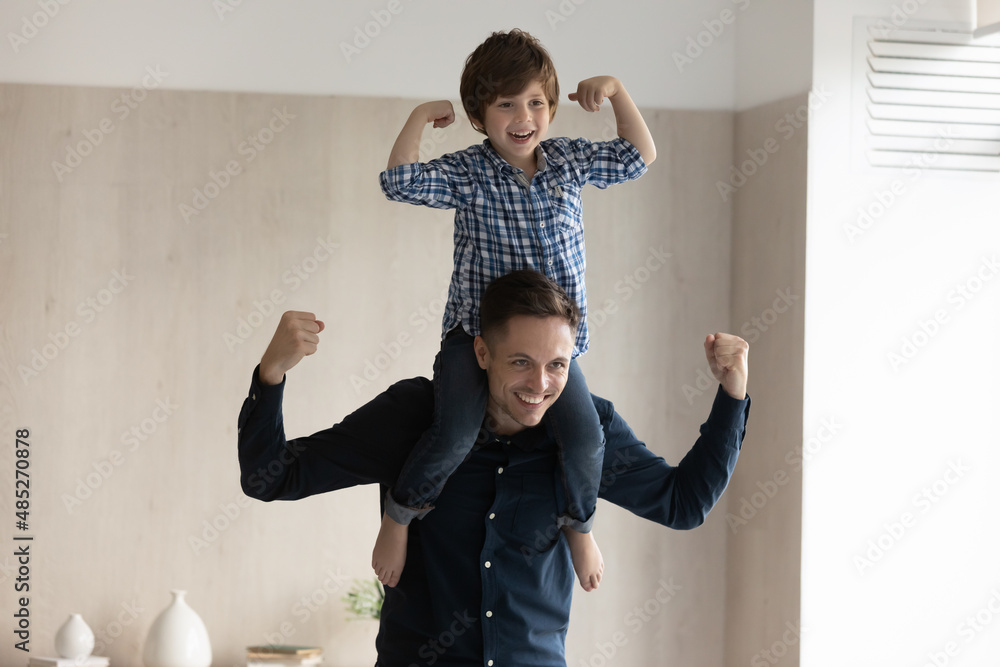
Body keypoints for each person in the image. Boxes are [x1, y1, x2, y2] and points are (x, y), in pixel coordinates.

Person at [237, 269, 750, 667]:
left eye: (557, 365)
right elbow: (271, 477)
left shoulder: (587, 432)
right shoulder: (415, 415)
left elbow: (683, 504)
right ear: (481, 352)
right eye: (520, 361)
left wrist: (732, 395)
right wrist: (272, 372)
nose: (540, 384)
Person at [373, 28, 657, 592]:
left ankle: (578, 525)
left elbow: (638, 157)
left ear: (551, 107)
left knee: (584, 438)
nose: (522, 116)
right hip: (476, 336)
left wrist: (619, 91)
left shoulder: (569, 162)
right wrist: (418, 117)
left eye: (534, 102)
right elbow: (399, 181)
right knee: (454, 432)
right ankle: (399, 517)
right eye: (505, 104)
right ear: (480, 114)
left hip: (549, 351)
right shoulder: (471, 172)